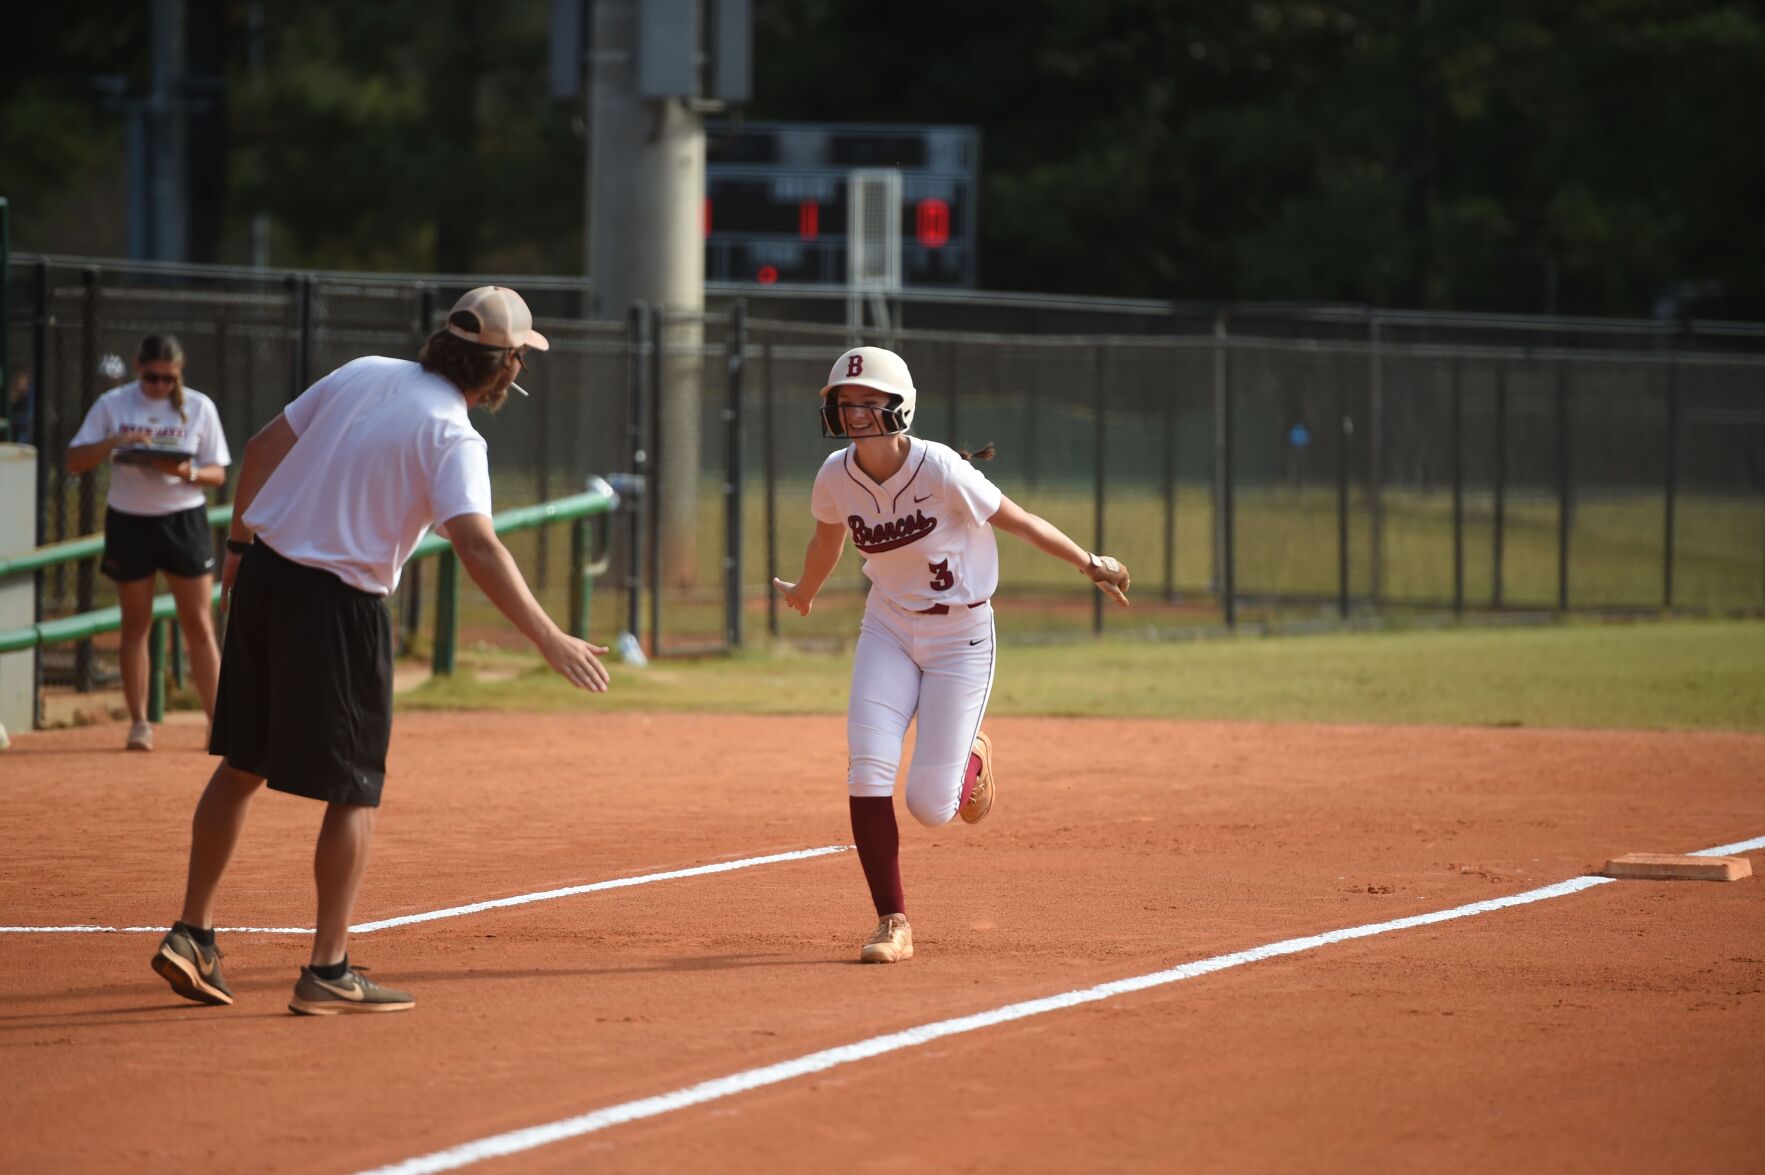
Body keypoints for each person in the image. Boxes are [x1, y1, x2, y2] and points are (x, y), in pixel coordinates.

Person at [149, 286, 610, 1016]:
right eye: (520, 357)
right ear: (503, 367)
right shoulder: (455, 436)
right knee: (354, 788)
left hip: (266, 576)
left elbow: (262, 448)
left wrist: (237, 546)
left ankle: (192, 933)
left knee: (241, 764)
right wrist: (548, 637)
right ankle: (327, 968)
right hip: (339, 603)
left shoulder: (362, 371)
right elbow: (477, 544)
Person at [772, 346, 1131, 964]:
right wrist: (806, 590)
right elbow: (828, 539)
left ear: (899, 407)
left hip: (960, 638)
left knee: (931, 807)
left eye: (869, 401)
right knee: (867, 769)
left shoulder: (939, 468)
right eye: (845, 402)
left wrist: (1089, 562)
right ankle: (893, 922)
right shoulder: (835, 474)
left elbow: (1019, 521)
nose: (855, 412)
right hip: (887, 628)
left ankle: (973, 754)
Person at [66, 337, 230, 751]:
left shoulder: (200, 406)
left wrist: (184, 471)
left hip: (183, 519)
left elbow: (218, 473)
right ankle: (140, 723)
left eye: (167, 378)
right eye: (151, 377)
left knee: (199, 624)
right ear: (138, 366)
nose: (158, 386)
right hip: (130, 519)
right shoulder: (113, 404)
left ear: (179, 372)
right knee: (136, 622)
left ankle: (218, 723)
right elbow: (74, 460)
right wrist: (117, 442)